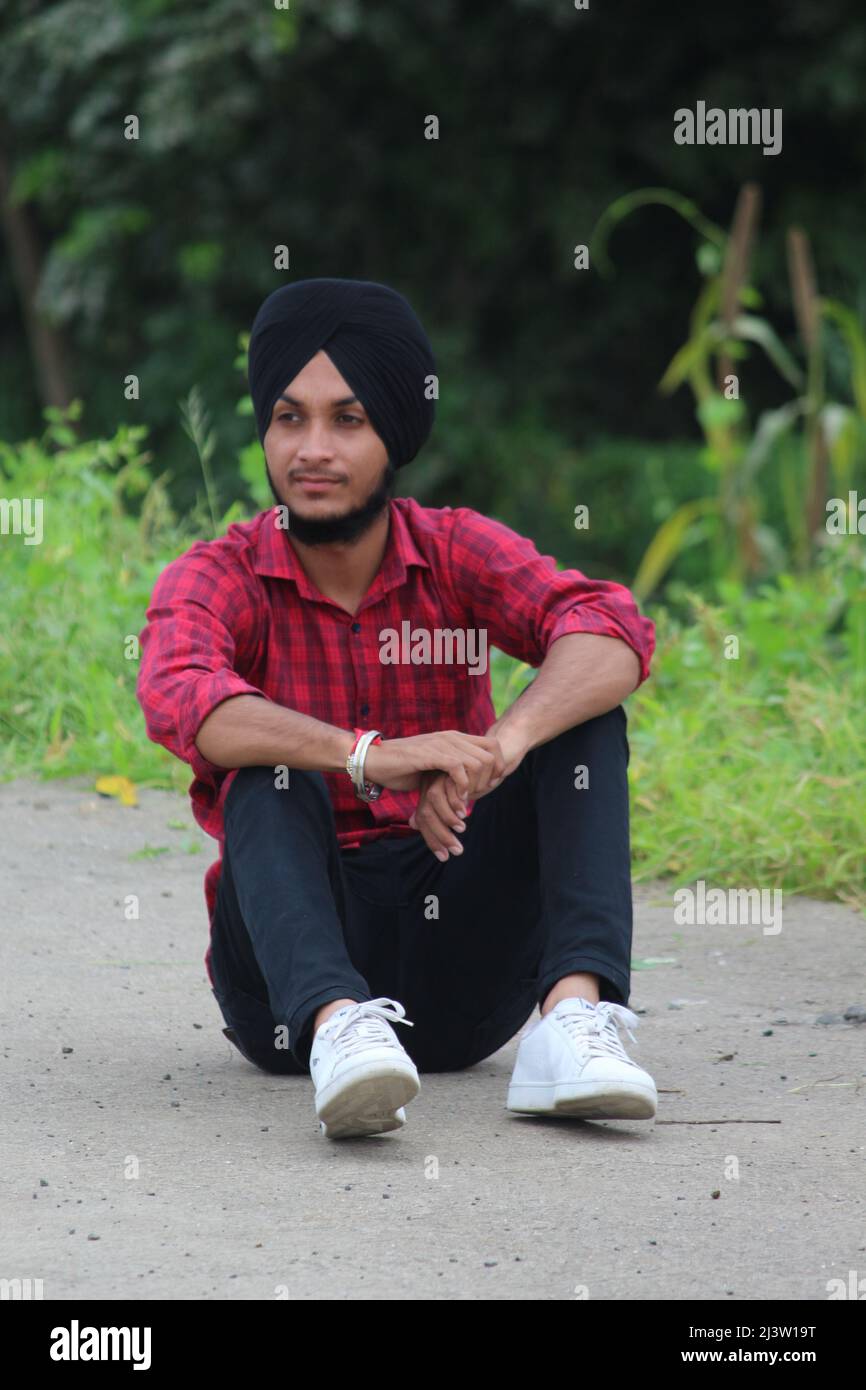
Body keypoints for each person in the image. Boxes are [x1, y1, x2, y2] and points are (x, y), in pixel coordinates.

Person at [136, 276, 658, 1140]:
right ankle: (342, 1024)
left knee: (583, 719)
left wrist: (503, 745)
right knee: (263, 765)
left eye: (348, 420)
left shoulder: (453, 549)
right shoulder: (218, 572)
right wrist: (366, 753)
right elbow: (185, 696)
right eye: (288, 418)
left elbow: (610, 625)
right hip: (284, 991)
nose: (313, 448)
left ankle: (571, 1022)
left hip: (456, 967)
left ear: (395, 436)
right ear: (264, 431)